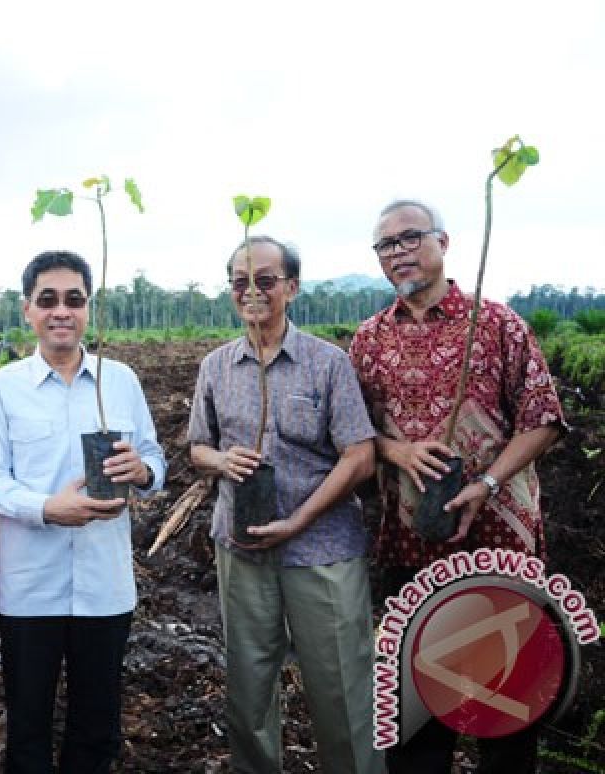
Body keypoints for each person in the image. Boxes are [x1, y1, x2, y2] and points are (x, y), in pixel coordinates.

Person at [349, 200, 565, 773]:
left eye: (409, 238)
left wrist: (490, 482)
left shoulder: (498, 324)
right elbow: (352, 436)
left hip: (500, 548)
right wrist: (398, 450)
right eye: (385, 246)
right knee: (420, 714)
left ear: (443, 243)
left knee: (508, 710)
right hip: (411, 548)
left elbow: (543, 416)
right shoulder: (368, 340)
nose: (397, 253)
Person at [187, 236, 381, 774]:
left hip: (322, 548)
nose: (251, 292)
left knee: (340, 682)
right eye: (239, 281)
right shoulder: (216, 366)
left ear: (291, 288)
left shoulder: (328, 363)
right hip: (242, 546)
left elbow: (360, 456)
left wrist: (300, 518)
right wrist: (221, 461)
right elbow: (197, 444)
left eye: (265, 280)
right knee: (248, 682)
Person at [0, 250, 167, 773]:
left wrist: (142, 472)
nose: (62, 311)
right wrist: (46, 509)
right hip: (30, 589)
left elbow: (153, 457)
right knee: (29, 726)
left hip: (105, 588)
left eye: (74, 300)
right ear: (27, 310)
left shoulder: (119, 380)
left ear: (88, 309)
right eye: (48, 299)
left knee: (97, 728)